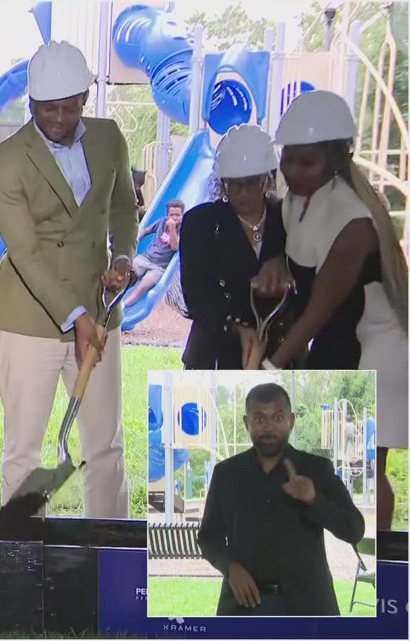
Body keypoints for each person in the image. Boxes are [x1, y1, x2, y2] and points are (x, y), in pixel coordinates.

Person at [0, 41, 137, 517]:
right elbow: (26, 254)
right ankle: (22, 557)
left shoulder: (110, 137)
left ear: (85, 101)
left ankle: (109, 557)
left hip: (99, 310)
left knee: (104, 446)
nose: (60, 118)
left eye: (71, 108)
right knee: (25, 453)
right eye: (49, 109)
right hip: (29, 319)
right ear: (31, 105)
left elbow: (124, 207)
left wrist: (125, 257)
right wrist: (75, 318)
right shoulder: (5, 159)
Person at [252, 90, 408, 530]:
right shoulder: (298, 200)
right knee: (334, 459)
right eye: (289, 159)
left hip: (380, 350)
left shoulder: (355, 221)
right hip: (343, 340)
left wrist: (270, 366)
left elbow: (319, 310)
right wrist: (275, 260)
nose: (293, 171)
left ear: (338, 160)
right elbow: (288, 243)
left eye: (307, 163)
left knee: (366, 470)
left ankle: (379, 564)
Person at [197, 383, 364, 616]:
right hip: (242, 608)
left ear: (291, 421)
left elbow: (354, 529)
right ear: (246, 423)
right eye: (259, 420)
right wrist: (230, 568)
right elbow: (208, 537)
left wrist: (314, 499)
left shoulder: (316, 469)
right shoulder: (227, 473)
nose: (269, 428)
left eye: (277, 418)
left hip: (308, 610)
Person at [179, 125, 288, 369]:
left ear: (266, 178)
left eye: (250, 183)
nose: (242, 192)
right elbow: (195, 292)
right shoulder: (201, 222)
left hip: (280, 352)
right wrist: (234, 325)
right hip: (214, 353)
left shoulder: (286, 219)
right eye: (233, 184)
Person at [122, 199, 183, 307]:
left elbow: (175, 247)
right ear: (167, 215)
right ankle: (114, 300)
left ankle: (123, 306)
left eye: (177, 215)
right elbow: (145, 231)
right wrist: (135, 241)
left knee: (143, 287)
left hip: (159, 267)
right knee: (126, 276)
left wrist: (172, 228)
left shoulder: (183, 229)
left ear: (182, 215)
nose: (174, 218)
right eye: (171, 215)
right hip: (145, 258)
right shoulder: (162, 222)